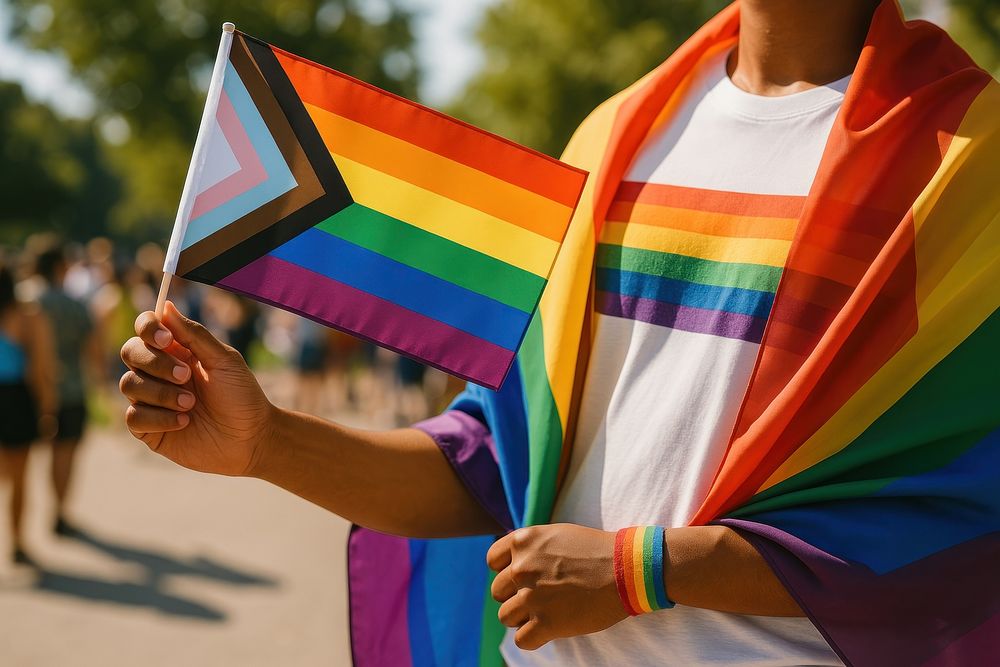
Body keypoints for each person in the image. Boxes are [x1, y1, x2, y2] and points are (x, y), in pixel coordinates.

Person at [119, 1, 999, 665]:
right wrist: (266, 439)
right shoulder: (616, 135)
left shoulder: (976, 165)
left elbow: (966, 528)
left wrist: (643, 570)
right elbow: (493, 468)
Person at [34, 243, 99, 534]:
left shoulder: (26, 302)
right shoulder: (75, 306)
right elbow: (93, 350)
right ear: (61, 267)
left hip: (31, 389)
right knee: (65, 453)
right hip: (71, 387)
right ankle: (59, 512)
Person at [0, 260, 56, 566]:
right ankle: (16, 541)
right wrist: (47, 408)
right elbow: (40, 367)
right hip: (16, 400)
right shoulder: (25, 316)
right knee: (19, 479)